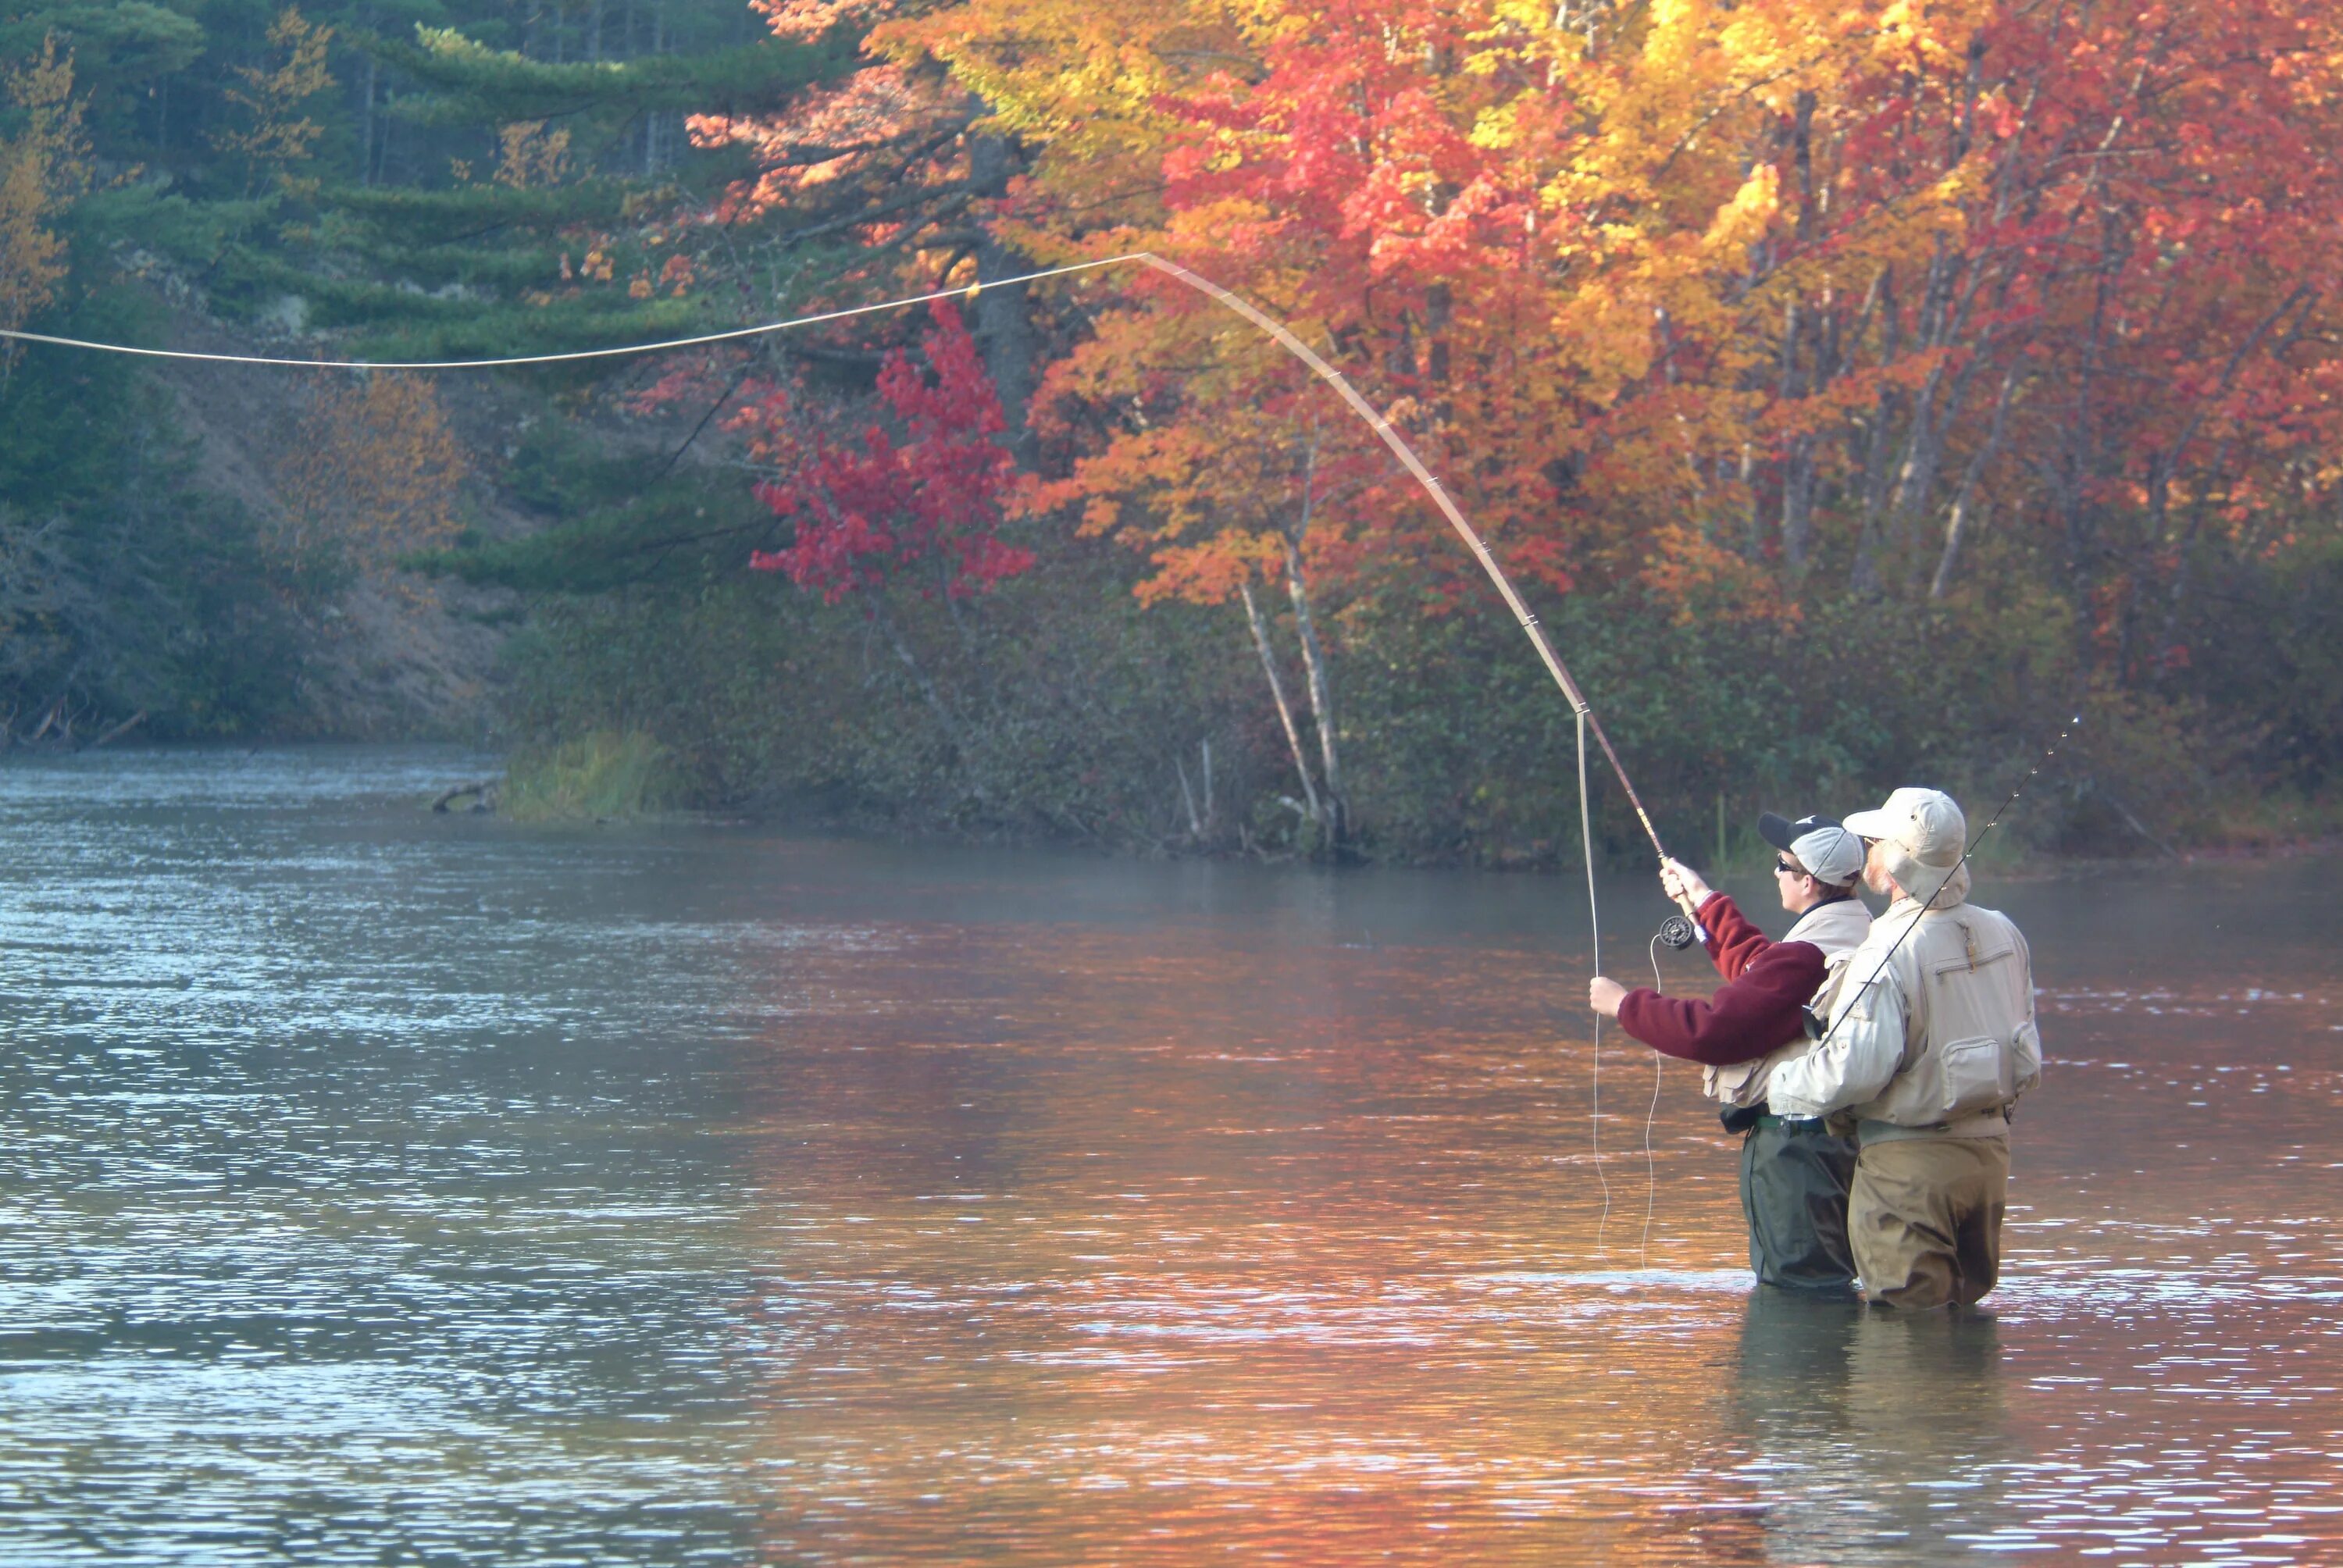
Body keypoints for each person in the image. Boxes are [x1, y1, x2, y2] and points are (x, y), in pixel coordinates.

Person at [1763, 787, 2042, 1310]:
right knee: (1961, 1321)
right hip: (1989, 1158)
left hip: (1908, 1167)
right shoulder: (2004, 931)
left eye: (1876, 843)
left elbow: (1856, 1071)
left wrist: (1778, 1087)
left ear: (1895, 862)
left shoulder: (1887, 951)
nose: (1868, 851)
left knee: (1905, 1335)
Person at [1587, 812, 1871, 1293]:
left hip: (1798, 1152)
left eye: (1782, 865)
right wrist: (1702, 899)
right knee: (1828, 1282)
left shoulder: (1806, 955)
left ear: (1807, 882)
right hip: (1840, 1141)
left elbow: (1714, 1031)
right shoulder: (1858, 930)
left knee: (1798, 1290)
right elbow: (1763, 972)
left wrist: (1625, 1005)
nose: (1774, 873)